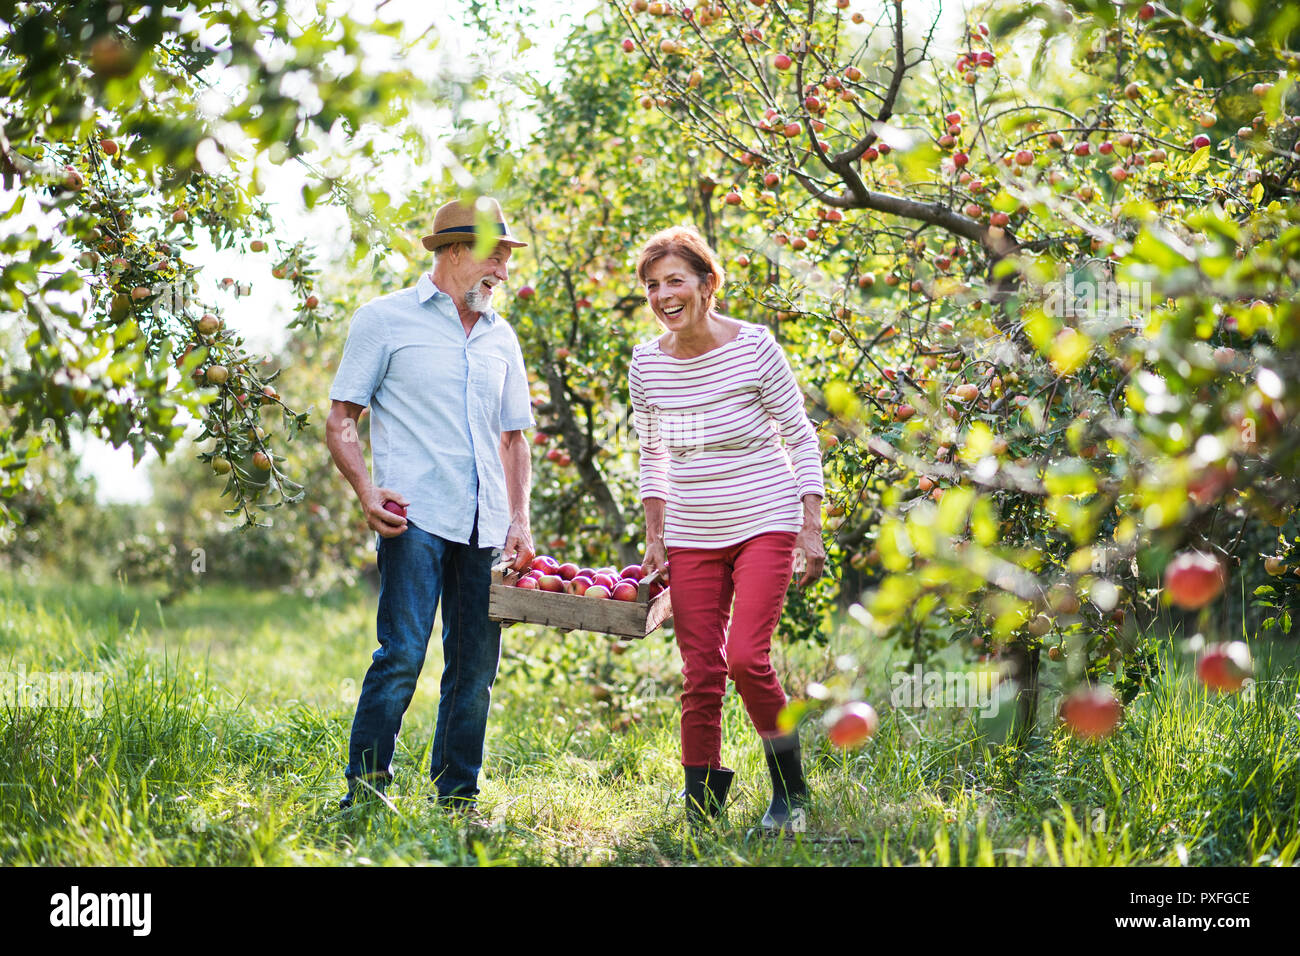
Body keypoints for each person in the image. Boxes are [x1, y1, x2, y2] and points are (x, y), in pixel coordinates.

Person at [326, 197, 535, 814]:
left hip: (487, 524)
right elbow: (341, 418)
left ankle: (457, 796)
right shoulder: (385, 319)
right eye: (493, 254)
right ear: (453, 251)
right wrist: (367, 492)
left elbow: (513, 437)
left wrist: (520, 520)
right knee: (403, 655)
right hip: (414, 515)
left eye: (506, 257)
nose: (502, 270)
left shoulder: (503, 337)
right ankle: (364, 794)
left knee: (475, 668)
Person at [628, 225, 827, 833]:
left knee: (744, 657)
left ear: (708, 284)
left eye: (676, 282)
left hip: (765, 517)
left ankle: (791, 793)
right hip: (692, 529)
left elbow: (800, 435)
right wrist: (655, 534)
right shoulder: (647, 363)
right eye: (653, 286)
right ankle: (702, 805)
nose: (664, 295)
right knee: (700, 671)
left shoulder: (753, 347)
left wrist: (810, 526)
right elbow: (653, 453)